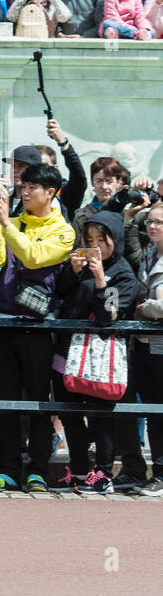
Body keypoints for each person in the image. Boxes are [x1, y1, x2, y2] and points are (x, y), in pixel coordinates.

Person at [0, 163, 76, 491]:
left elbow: (34, 257)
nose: (25, 191)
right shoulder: (15, 221)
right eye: (23, 185)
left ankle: (37, 469)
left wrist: (6, 223)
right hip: (5, 321)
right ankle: (7, 469)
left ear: (51, 193)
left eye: (33, 186)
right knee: (7, 399)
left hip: (38, 326)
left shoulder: (63, 230)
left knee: (37, 399)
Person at [47, 211, 140, 494]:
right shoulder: (82, 265)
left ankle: (102, 473)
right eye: (90, 240)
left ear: (116, 239)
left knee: (100, 415)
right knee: (70, 413)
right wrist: (73, 271)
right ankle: (77, 470)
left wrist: (101, 279)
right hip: (67, 352)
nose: (96, 246)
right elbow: (60, 292)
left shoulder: (123, 273)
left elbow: (108, 315)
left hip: (98, 357)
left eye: (102, 239)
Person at [131, 202, 163, 495]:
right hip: (146, 345)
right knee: (153, 412)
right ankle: (159, 473)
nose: (152, 226)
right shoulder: (151, 255)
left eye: (159, 222)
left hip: (160, 344)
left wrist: (148, 308)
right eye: (150, 222)